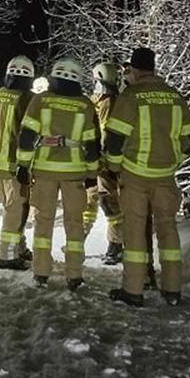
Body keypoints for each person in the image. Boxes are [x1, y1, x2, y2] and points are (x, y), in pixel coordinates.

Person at [104, 48, 190, 307]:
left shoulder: (131, 96)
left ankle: (133, 290)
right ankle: (172, 289)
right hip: (165, 176)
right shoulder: (175, 96)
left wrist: (115, 166)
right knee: (168, 230)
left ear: (134, 70)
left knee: (135, 231)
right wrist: (174, 161)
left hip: (134, 175)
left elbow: (115, 139)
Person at [16, 58, 100, 290]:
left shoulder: (40, 100)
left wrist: (23, 166)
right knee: (74, 223)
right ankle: (74, 275)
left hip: (45, 170)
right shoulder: (85, 104)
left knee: (43, 221)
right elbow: (92, 143)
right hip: (75, 172)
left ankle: (41, 273)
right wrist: (92, 173)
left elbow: (26, 136)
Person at [0, 56, 37, 270]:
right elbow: (28, 133)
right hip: (14, 163)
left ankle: (19, 247)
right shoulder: (27, 99)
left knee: (15, 207)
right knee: (16, 209)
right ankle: (7, 256)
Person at [84, 62, 125, 265]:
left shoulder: (110, 103)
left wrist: (100, 160)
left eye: (95, 79)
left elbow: (106, 133)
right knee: (88, 202)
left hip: (104, 162)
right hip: (94, 161)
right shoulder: (97, 101)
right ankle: (77, 242)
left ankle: (116, 246)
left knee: (108, 202)